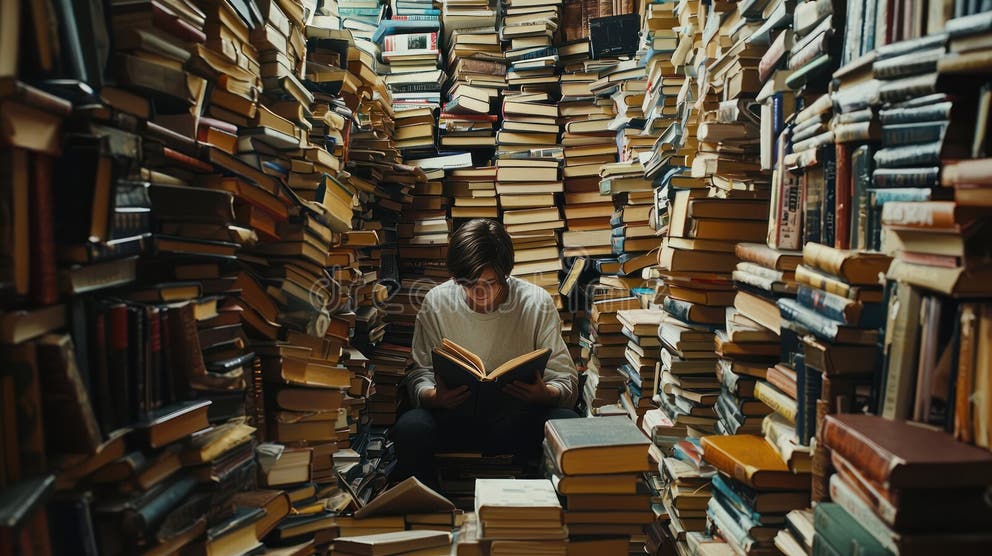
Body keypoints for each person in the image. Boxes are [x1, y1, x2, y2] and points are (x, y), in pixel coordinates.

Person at [389, 218, 580, 487]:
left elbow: (566, 380)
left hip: (518, 421)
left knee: (569, 424)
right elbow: (419, 374)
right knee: (411, 428)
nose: (479, 291)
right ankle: (430, 515)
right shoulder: (437, 301)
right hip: (454, 419)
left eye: (490, 282)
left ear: (505, 274)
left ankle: (546, 514)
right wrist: (435, 396)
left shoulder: (536, 302)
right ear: (456, 277)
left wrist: (546, 393)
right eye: (468, 283)